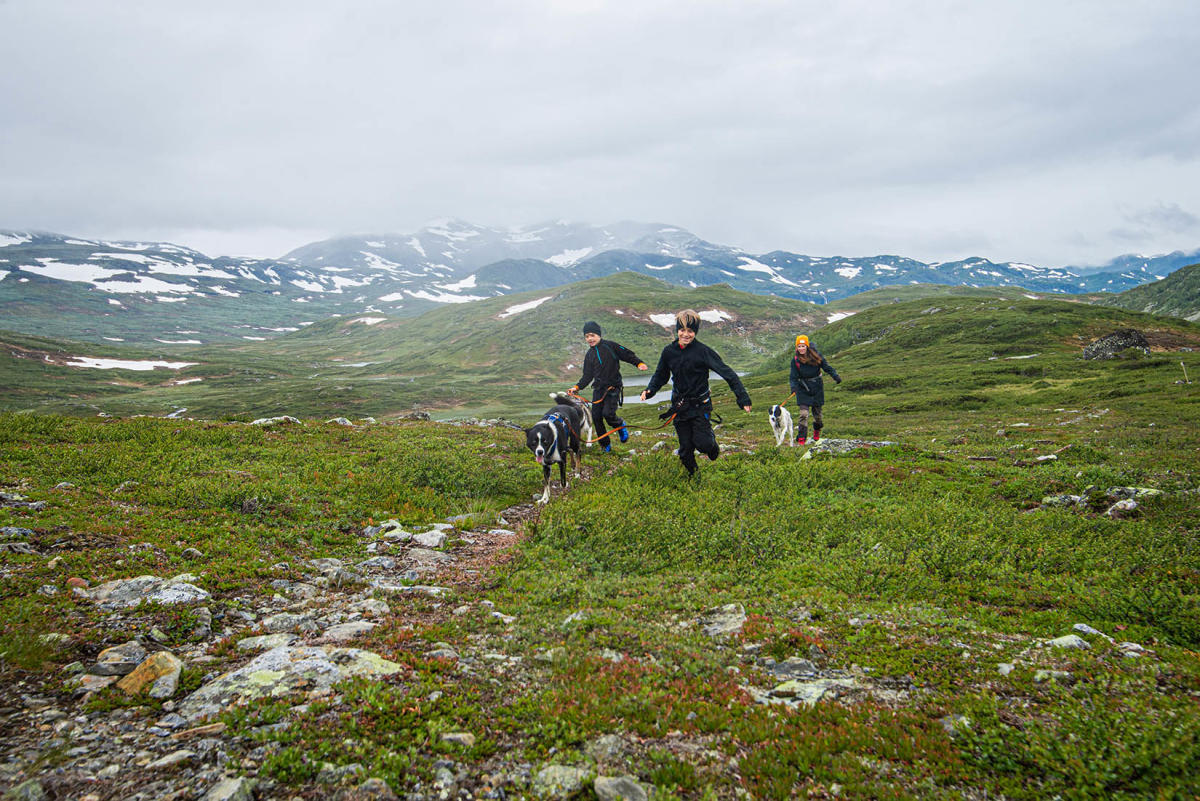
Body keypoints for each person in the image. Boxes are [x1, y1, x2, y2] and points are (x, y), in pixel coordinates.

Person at [639, 309, 752, 476]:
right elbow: (661, 375)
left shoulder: (703, 351)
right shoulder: (669, 352)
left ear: (695, 332)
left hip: (700, 406)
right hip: (679, 406)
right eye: (682, 330)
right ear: (677, 330)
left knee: (703, 444)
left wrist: (743, 398)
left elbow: (728, 374)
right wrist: (650, 390)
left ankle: (712, 446)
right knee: (685, 450)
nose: (686, 334)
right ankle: (694, 477)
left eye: (690, 331)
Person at [571, 321, 648, 453]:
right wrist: (577, 387)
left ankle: (620, 425)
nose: (589, 339)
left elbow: (627, 354)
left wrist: (638, 363)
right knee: (596, 417)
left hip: (613, 388)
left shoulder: (610, 346)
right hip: (598, 389)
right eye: (587, 336)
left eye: (592, 335)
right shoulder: (589, 355)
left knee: (608, 414)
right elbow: (587, 376)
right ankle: (605, 445)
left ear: (599, 335)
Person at [789, 334, 841, 445]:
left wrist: (835, 376)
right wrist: (793, 387)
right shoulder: (795, 360)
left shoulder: (817, 356)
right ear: (796, 348)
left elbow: (826, 367)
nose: (801, 349)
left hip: (817, 388)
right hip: (803, 388)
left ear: (807, 346)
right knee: (803, 414)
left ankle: (817, 431)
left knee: (818, 416)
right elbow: (793, 377)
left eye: (803, 346)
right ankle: (801, 438)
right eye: (799, 346)